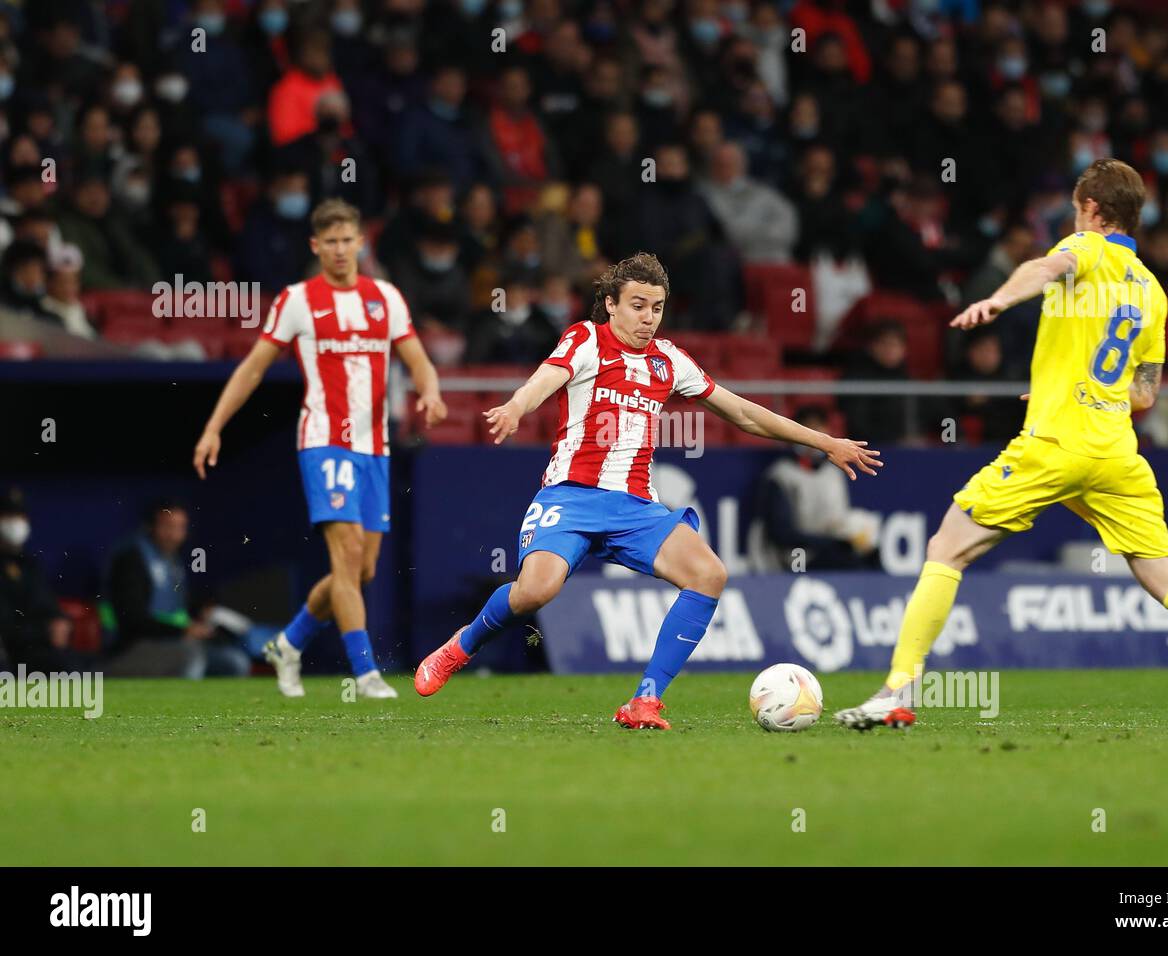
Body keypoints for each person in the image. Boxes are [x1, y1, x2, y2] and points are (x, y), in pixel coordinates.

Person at [834, 159, 1168, 737]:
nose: (1073, 220)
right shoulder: (1152, 290)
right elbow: (1145, 392)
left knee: (947, 547)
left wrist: (998, 301)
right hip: (1116, 454)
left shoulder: (1088, 247)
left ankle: (896, 692)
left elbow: (1046, 266)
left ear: (1094, 212)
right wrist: (1074, 386)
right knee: (1167, 580)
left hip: (1055, 444)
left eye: (1077, 211)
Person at [413, 252, 882, 728]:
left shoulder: (668, 361)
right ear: (611, 304)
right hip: (571, 496)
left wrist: (825, 442)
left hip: (635, 507)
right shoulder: (585, 339)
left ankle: (645, 700)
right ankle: (461, 646)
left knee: (709, 575)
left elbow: (742, 413)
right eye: (638, 306)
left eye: (656, 308)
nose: (648, 318)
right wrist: (516, 406)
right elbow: (548, 377)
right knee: (535, 592)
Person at [193, 199, 448, 698]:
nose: (338, 249)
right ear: (316, 246)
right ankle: (366, 673)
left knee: (363, 568)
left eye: (345, 239)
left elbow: (417, 358)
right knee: (346, 553)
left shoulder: (386, 298)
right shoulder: (297, 301)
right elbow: (252, 368)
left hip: (375, 446)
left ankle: (288, 644)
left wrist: (432, 392)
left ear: (360, 242)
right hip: (323, 441)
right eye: (328, 241)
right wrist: (214, 426)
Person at [106, 499, 247, 678]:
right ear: (151, 526)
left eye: (180, 527)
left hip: (172, 642)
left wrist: (202, 612)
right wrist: (182, 631)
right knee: (190, 657)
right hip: (132, 647)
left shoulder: (172, 560)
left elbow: (174, 604)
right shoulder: (131, 559)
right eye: (167, 527)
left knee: (234, 661)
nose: (174, 535)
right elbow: (133, 619)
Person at [753, 406, 878, 571]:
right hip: (797, 557)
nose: (815, 435)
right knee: (847, 563)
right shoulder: (781, 475)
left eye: (820, 429)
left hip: (830, 549)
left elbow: (839, 519)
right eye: (809, 429)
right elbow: (782, 534)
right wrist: (832, 543)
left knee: (872, 556)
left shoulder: (833, 472)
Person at [0, 486, 78, 672]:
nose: (16, 523)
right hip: (8, 650)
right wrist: (45, 632)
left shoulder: (29, 564)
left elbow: (46, 604)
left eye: (20, 517)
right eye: (8, 516)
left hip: (33, 648)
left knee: (71, 669)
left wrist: (59, 621)